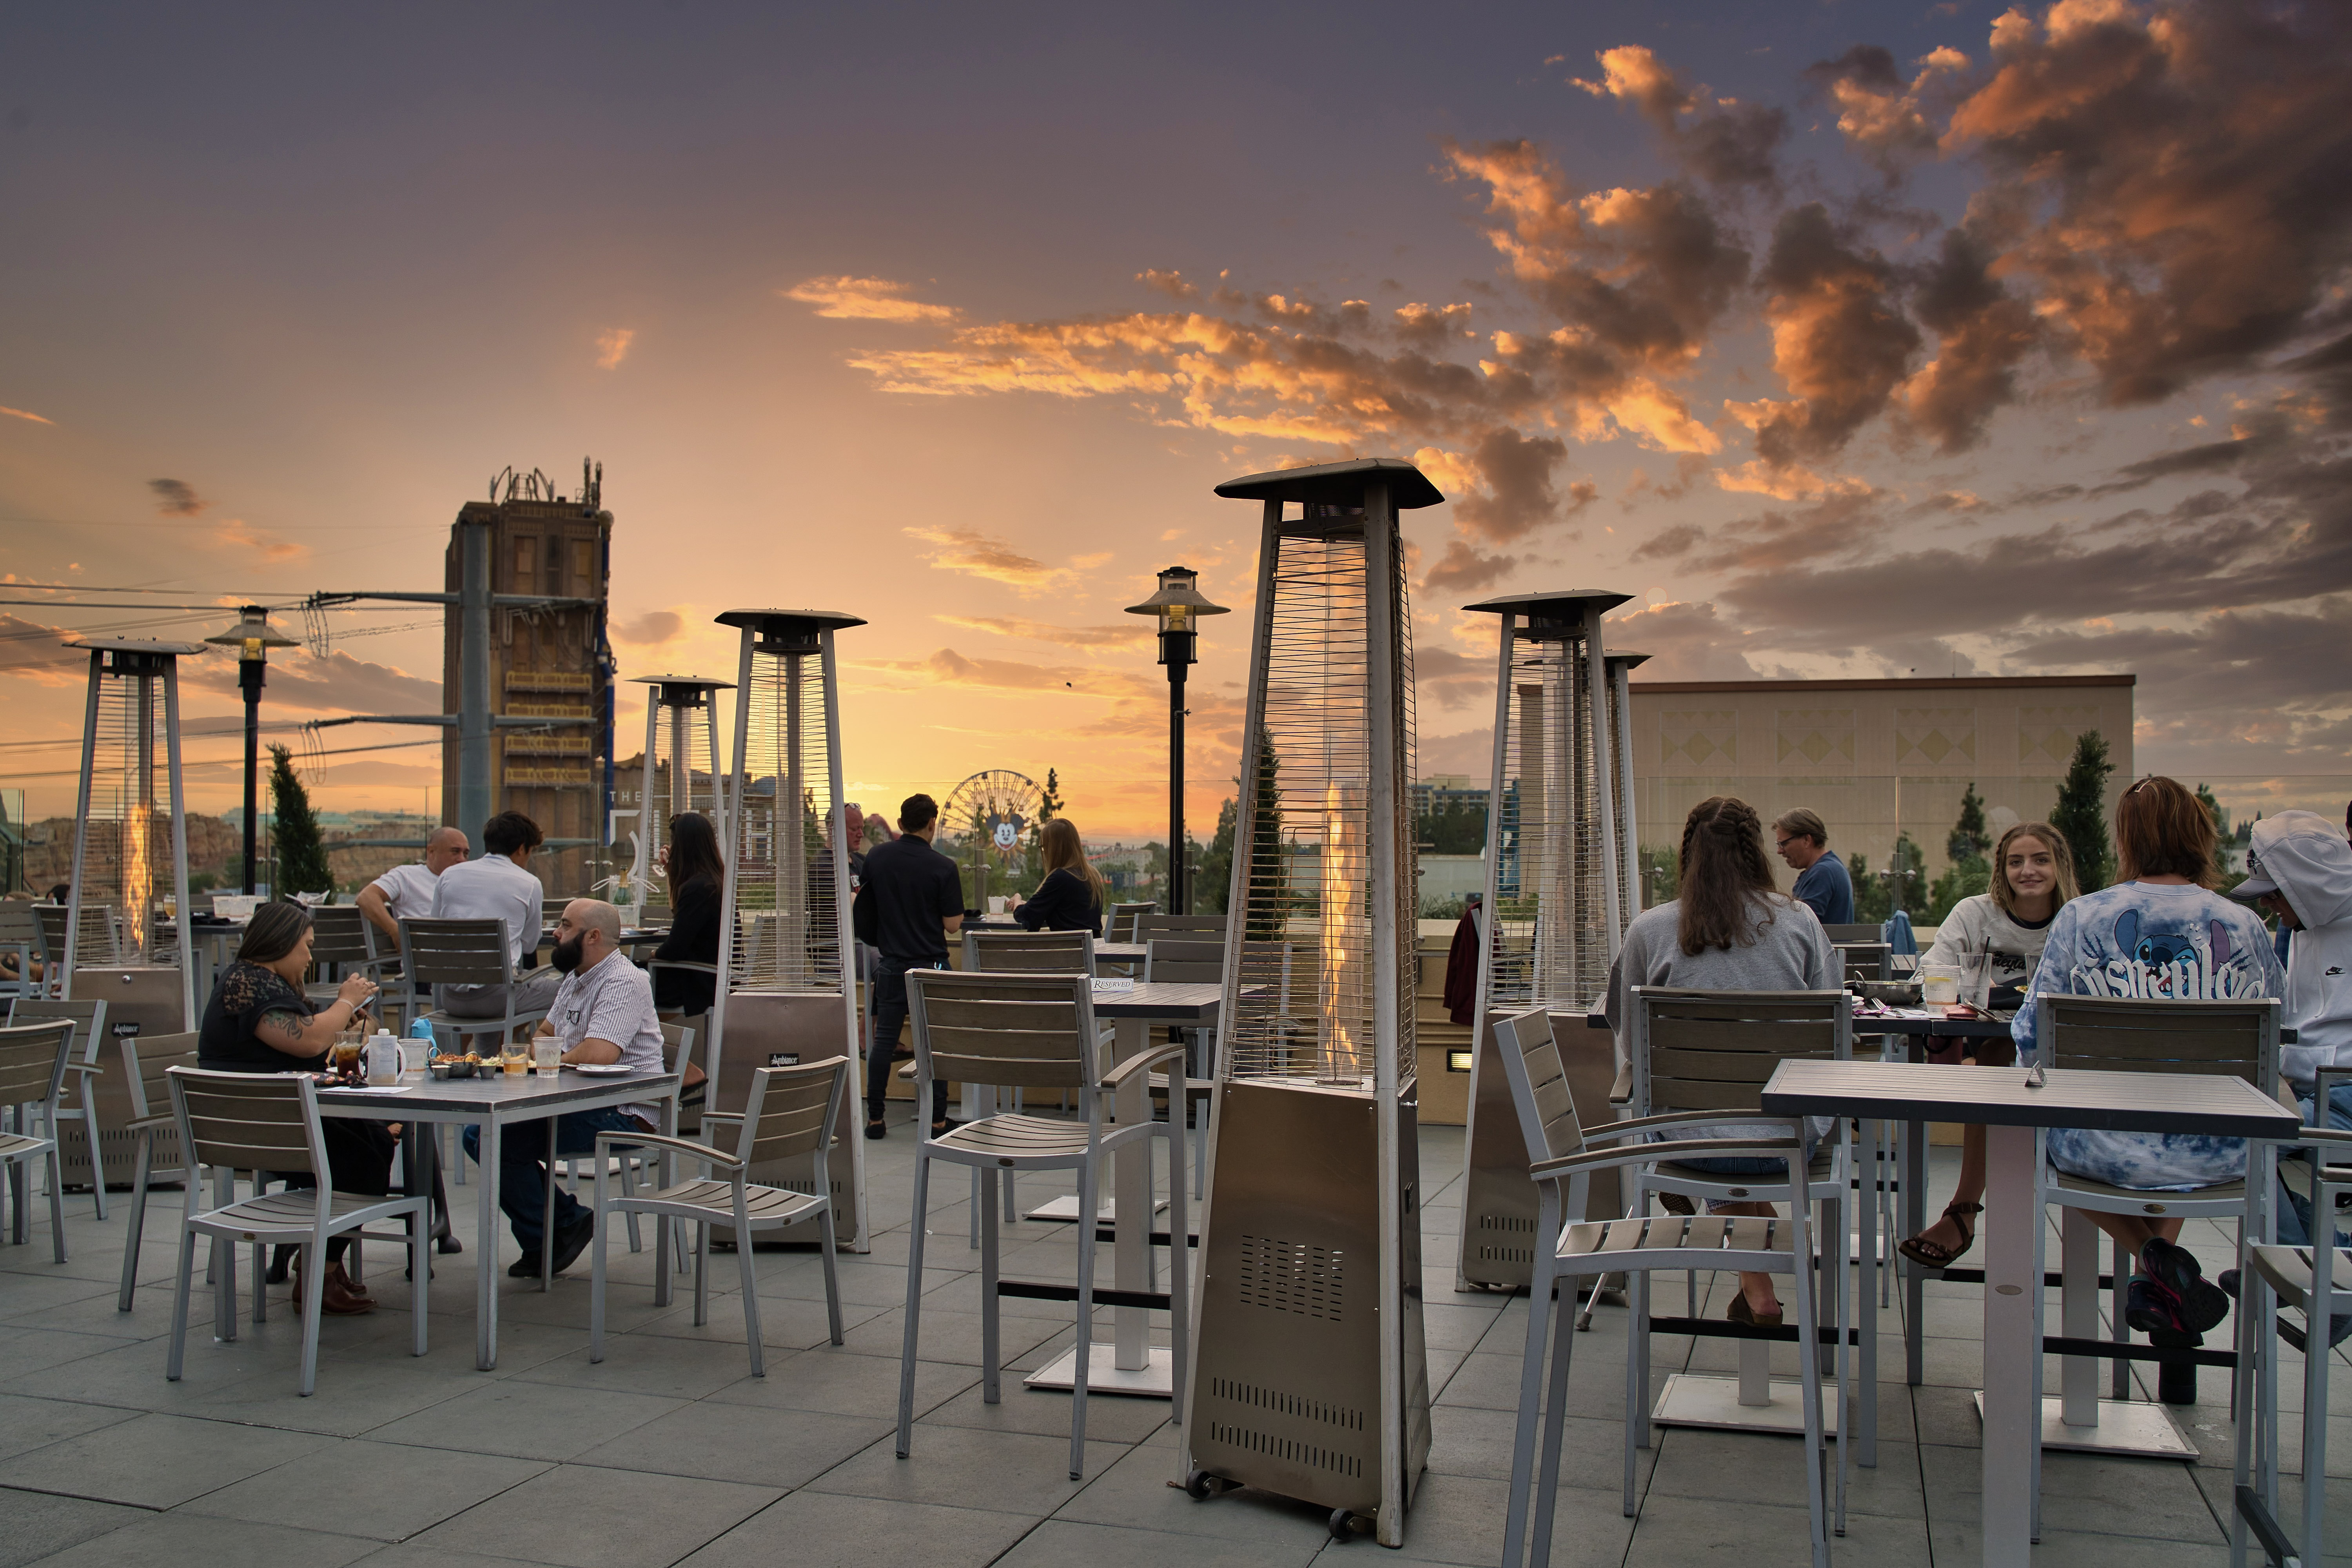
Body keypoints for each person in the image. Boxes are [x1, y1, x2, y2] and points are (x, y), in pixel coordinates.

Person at [2013, 776, 2284, 1348]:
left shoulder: (2083, 918)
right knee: (2178, 1112)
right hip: (2226, 1150)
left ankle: (2157, 1262)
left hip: (2102, 1149)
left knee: (2040, 1134)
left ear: (2126, 838)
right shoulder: (2247, 925)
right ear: (2201, 835)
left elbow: (2032, 1037)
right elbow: (2279, 1037)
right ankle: (2157, 1283)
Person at [1604, 796, 1838, 1325]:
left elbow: (1630, 1038)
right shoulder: (1800, 922)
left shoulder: (1650, 929)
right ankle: (1763, 1271)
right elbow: (1829, 1038)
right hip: (1788, 1144)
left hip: (1691, 1139)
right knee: (1748, 1125)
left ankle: (1756, 1286)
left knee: (1713, 1123)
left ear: (1687, 854)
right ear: (1757, 850)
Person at [195, 899, 390, 1315]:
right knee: (368, 1155)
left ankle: (322, 1264)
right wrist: (345, 1000)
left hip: (265, 1121)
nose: (309, 957)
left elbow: (309, 1049)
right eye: (306, 946)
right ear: (281, 943)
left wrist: (353, 1023)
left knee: (371, 1138)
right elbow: (306, 1040)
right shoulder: (250, 986)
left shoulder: (255, 983)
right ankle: (318, 1273)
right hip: (261, 1131)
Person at [1898, 822, 2079, 1268]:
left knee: (2004, 1063)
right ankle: (1968, 1210)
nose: (2027, 870)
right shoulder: (1975, 913)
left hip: (2068, 1062)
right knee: (1999, 1059)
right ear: (2001, 869)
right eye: (2015, 861)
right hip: (1999, 1055)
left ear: (2060, 865)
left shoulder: (2079, 918)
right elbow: (1926, 977)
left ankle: (1965, 1210)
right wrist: (1974, 986)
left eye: (2040, 859)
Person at [463, 899, 665, 1276]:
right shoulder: (576, 978)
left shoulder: (624, 979)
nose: (555, 933)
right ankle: (560, 1225)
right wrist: (530, 1060)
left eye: (565, 926)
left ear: (592, 936)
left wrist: (540, 1061)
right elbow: (545, 1034)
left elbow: (599, 1054)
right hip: (579, 1100)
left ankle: (552, 1233)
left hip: (624, 1111)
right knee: (479, 1135)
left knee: (496, 1140)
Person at [859, 792, 963, 1140]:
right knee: (936, 1045)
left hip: (890, 965)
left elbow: (868, 905)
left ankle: (875, 1119)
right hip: (930, 967)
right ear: (932, 824)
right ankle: (937, 1121)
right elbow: (952, 925)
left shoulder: (877, 857)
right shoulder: (943, 867)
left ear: (901, 823)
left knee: (884, 1042)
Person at [428, 811, 559, 1023]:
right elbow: (528, 946)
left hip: (450, 998)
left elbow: (434, 930)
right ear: (521, 848)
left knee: (506, 983)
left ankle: (488, 1054)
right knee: (569, 992)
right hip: (498, 1000)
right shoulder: (529, 883)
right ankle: (508, 1052)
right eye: (530, 852)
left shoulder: (449, 876)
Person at [355, 826, 470, 962]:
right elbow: (367, 897)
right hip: (426, 965)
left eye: (466, 854)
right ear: (431, 851)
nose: (462, 859)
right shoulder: (407, 876)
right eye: (455, 852)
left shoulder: (468, 883)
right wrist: (395, 931)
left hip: (464, 961)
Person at [650, 811, 724, 1018]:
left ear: (683, 846)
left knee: (622, 983)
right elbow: (678, 913)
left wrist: (653, 955)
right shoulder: (714, 881)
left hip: (699, 982)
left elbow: (674, 949)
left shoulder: (698, 888)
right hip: (711, 977)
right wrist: (672, 873)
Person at [1011, 818, 1105, 935]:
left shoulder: (1061, 878)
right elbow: (1071, 911)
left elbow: (1026, 917)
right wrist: (1031, 905)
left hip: (1072, 950)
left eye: (1044, 848)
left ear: (1053, 849)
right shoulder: (1092, 875)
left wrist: (1017, 900)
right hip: (1095, 948)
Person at [1773, 808, 1854, 925]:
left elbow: (1801, 925)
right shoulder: (1828, 869)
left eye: (1784, 844)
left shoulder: (1824, 872)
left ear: (1807, 840)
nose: (1780, 851)